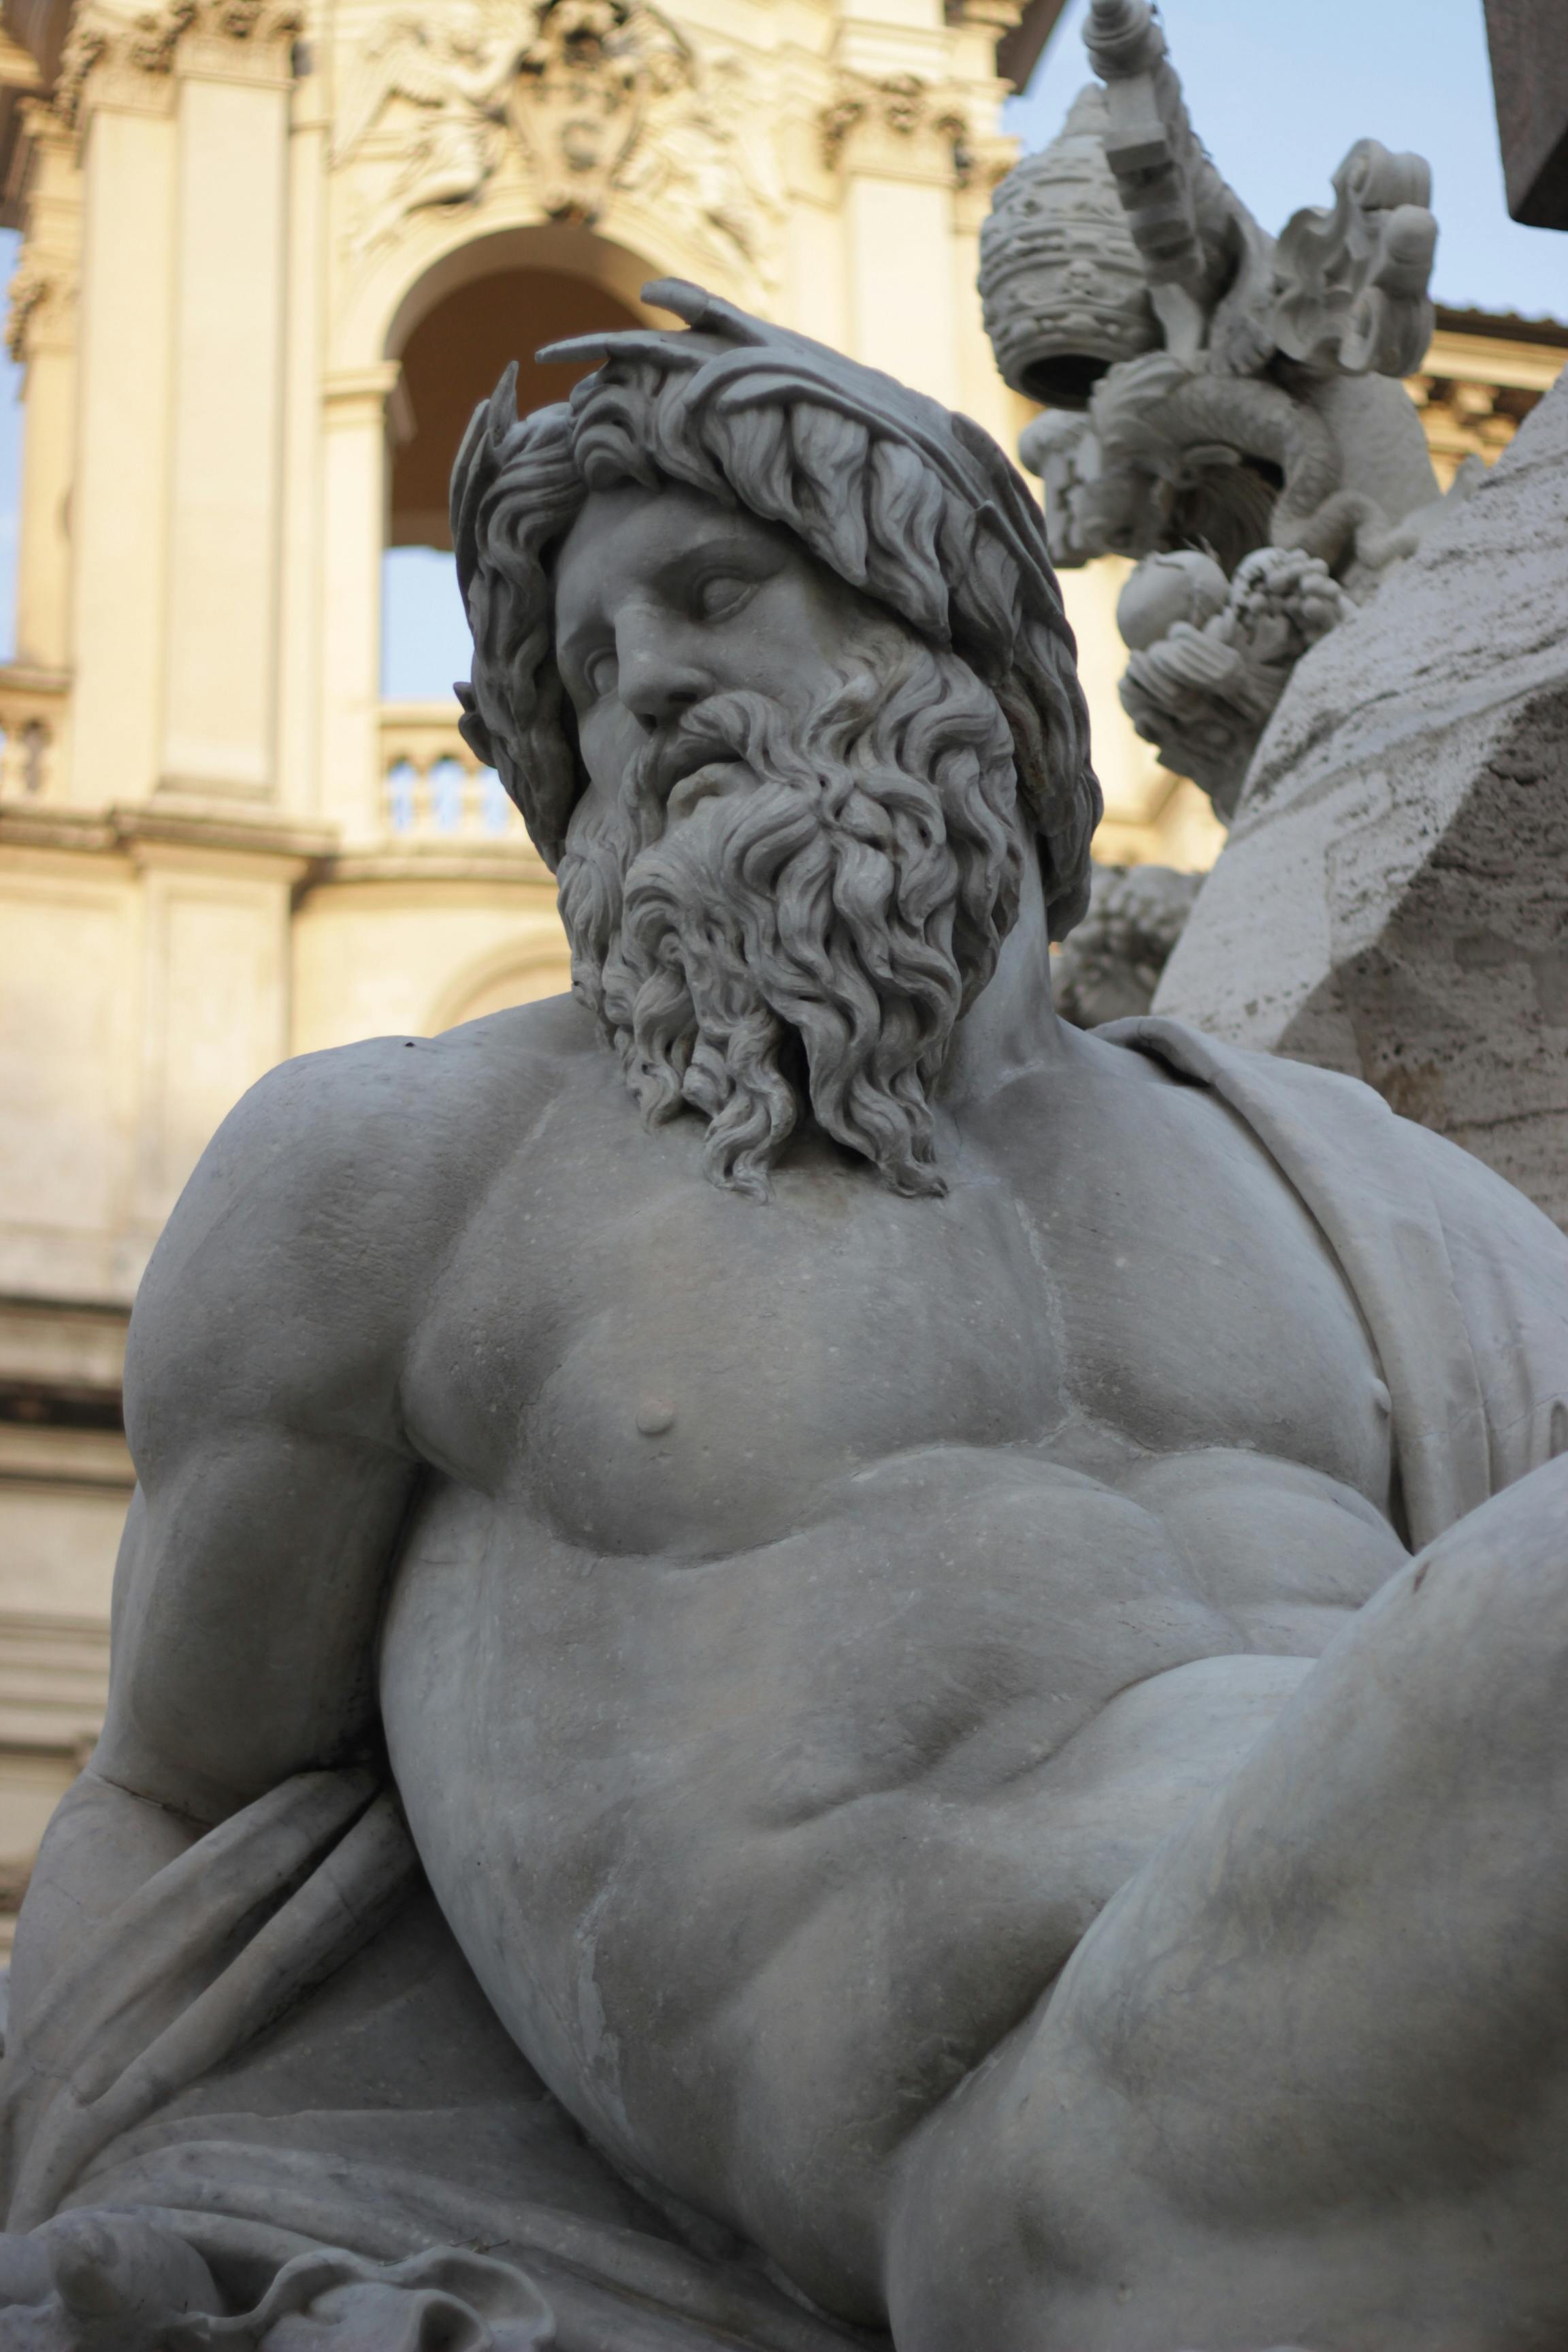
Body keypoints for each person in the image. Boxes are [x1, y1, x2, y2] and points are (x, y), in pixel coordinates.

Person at [3, 281, 1568, 2352]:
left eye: (714, 591)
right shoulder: (409, 1174)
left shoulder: (1362, 1185)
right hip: (1049, 2165)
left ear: (956, 634)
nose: (642, 680)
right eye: (584, 659)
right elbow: (185, 1809)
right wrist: (81, 2227)